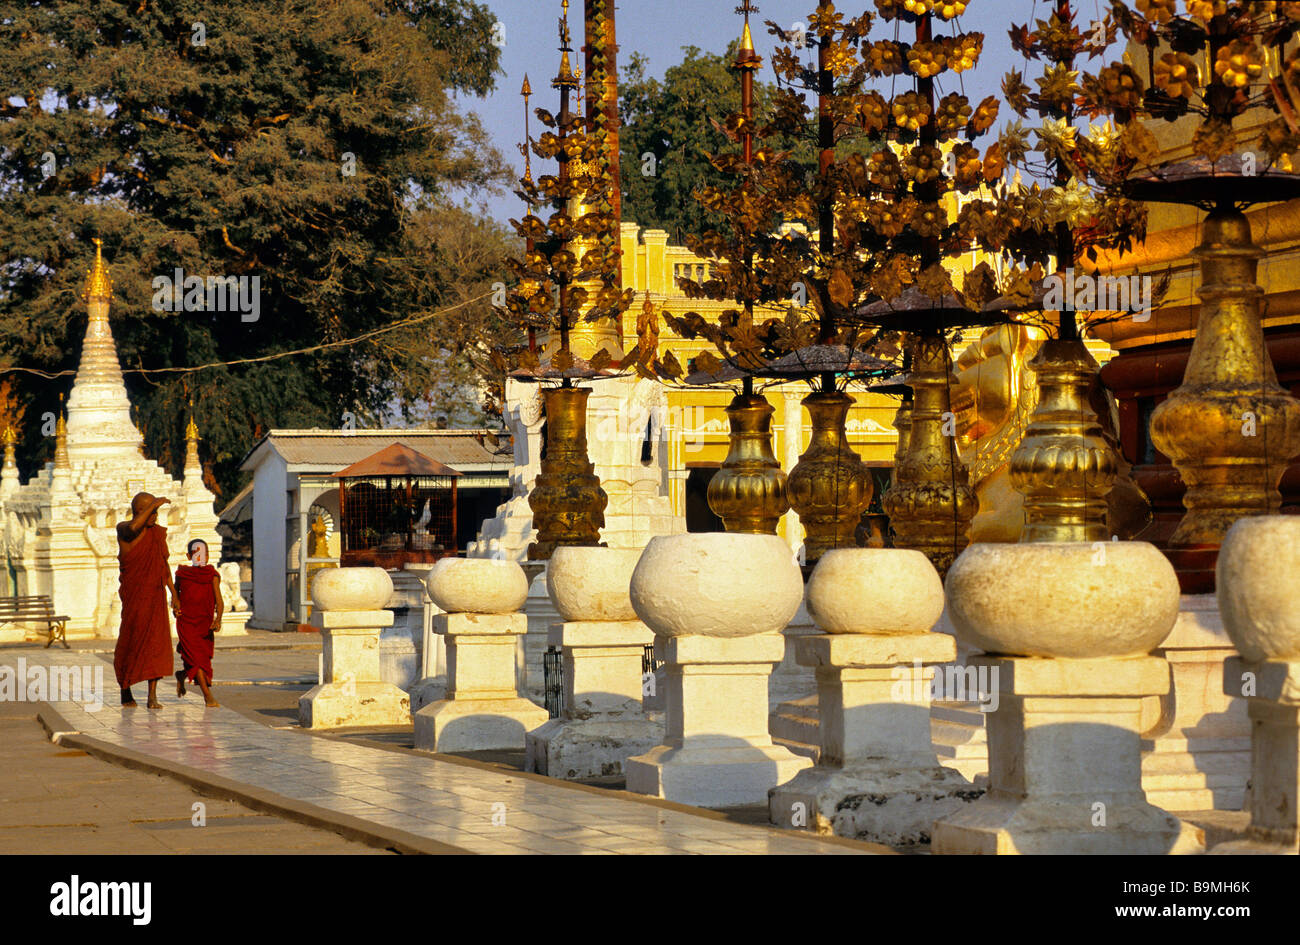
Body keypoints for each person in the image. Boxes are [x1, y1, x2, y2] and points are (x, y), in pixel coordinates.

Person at [115, 492, 179, 709]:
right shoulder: (124, 529)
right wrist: (155, 503)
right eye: (151, 511)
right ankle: (126, 690)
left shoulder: (156, 534)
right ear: (139, 512)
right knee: (130, 641)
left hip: (155, 596)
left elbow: (163, 565)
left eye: (157, 512)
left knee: (156, 645)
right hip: (135, 599)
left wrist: (175, 594)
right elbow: (134, 528)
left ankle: (152, 696)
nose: (155, 515)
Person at [173, 538, 223, 707]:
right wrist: (175, 607)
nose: (201, 556)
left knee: (201, 659)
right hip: (186, 622)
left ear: (208, 556)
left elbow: (219, 601)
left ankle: (182, 675)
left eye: (204, 553)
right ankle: (207, 696)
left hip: (204, 624)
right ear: (189, 556)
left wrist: (218, 619)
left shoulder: (212, 575)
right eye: (197, 553)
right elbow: (175, 595)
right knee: (196, 659)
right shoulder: (182, 574)